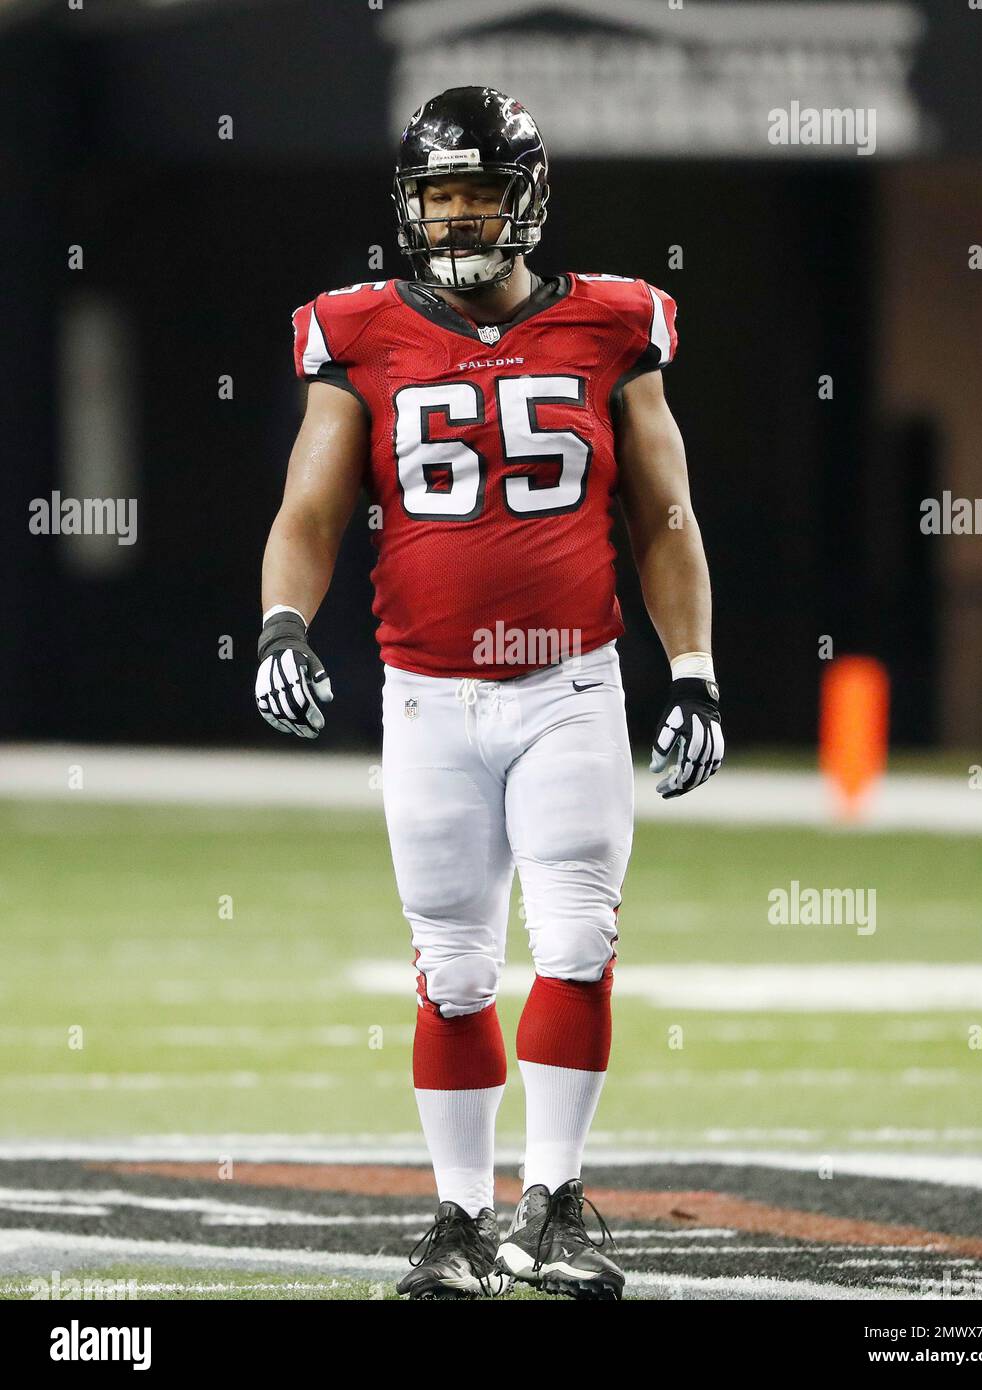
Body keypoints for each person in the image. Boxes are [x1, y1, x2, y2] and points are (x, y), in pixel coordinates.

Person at [257, 86, 724, 1300]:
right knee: (454, 967)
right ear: (411, 207)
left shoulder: (616, 325)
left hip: (569, 684)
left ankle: (556, 1201)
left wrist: (695, 673)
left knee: (574, 941)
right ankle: (458, 1221)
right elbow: (310, 508)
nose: (459, 218)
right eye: (440, 196)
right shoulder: (358, 330)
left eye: (478, 193)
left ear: (528, 199)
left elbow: (664, 518)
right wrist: (279, 625)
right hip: (426, 696)